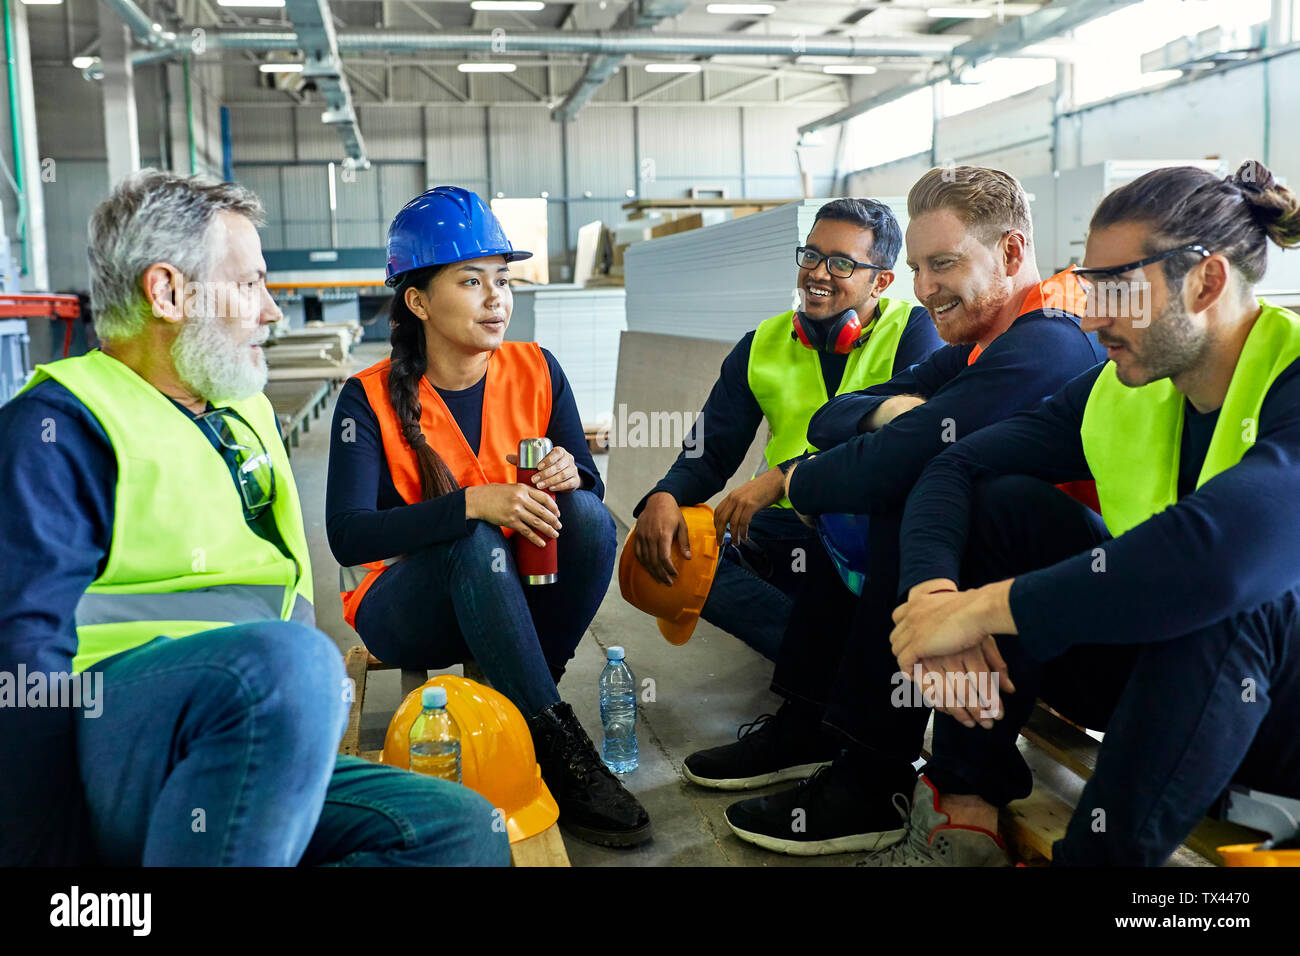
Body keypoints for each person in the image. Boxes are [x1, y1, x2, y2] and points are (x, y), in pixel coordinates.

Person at [0, 170, 507, 866]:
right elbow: (20, 667)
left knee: (461, 833)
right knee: (291, 662)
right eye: (249, 285)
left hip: (250, 735)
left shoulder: (241, 412)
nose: (271, 311)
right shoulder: (60, 428)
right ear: (167, 293)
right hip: (113, 751)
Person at [882, 161, 1300, 866]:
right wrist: (933, 599)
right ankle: (966, 799)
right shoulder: (1118, 386)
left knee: (1227, 595)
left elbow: (1216, 560)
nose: (1092, 312)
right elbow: (957, 465)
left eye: (1117, 288)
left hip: (1279, 721)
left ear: (1207, 281)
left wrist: (983, 610)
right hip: (1168, 693)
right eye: (1089, 282)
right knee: (1004, 505)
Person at [683, 167, 1106, 856]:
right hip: (1026, 609)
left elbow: (894, 465)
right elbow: (833, 416)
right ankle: (818, 723)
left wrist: (803, 481)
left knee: (897, 492)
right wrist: (883, 410)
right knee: (871, 497)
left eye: (943, 264)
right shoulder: (982, 335)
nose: (925, 288)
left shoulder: (1048, 341)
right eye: (916, 267)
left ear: (1009, 252)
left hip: (1088, 636)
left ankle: (873, 774)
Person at [326, 186, 649, 848]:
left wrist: (570, 471)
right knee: (473, 537)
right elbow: (348, 533)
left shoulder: (536, 369)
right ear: (418, 300)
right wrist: (470, 503)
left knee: (589, 517)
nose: (496, 298)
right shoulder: (367, 399)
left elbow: (583, 472)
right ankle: (561, 749)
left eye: (501, 280)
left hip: (514, 598)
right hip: (407, 608)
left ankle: (530, 705)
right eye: (471, 281)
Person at [632, 198, 942, 659]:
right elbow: (710, 451)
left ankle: (817, 664)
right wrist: (665, 494)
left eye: (840, 263)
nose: (818, 273)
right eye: (812, 255)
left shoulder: (914, 331)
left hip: (866, 524)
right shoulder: (761, 344)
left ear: (881, 281)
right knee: (679, 560)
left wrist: (782, 478)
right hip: (782, 529)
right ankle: (828, 661)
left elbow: (906, 445)